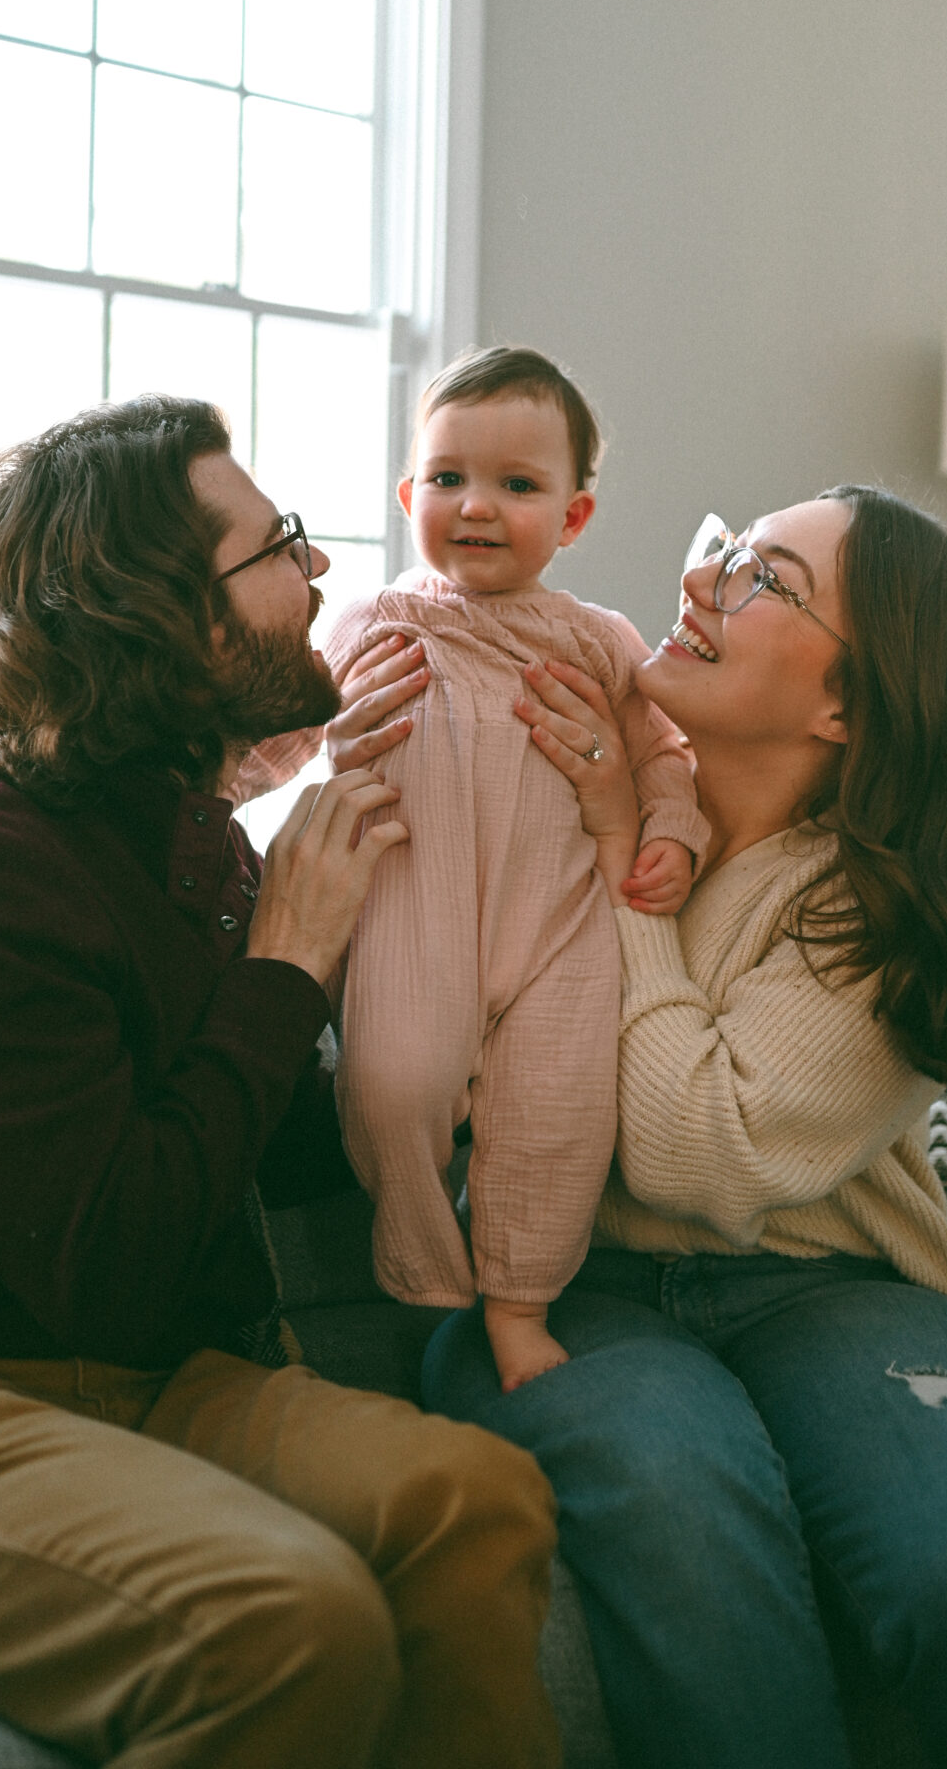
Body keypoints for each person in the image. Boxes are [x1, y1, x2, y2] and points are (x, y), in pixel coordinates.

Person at [0, 395, 561, 1769]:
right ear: (167, 619)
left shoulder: (192, 847)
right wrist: (289, 961)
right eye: (280, 546)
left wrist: (446, 1072)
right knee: (283, 1619)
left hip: (144, 1377)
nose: (321, 570)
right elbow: (116, 1258)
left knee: (473, 1496)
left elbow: (254, 1142)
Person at [416, 486, 947, 1769]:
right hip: (565, 1285)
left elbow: (695, 1149)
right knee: (688, 1530)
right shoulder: (561, 774)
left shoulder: (883, 904)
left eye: (762, 577)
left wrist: (624, 868)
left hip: (837, 1289)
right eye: (725, 548)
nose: (700, 580)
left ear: (845, 706)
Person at [236, 348, 708, 1393]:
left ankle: (517, 1304)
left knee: (559, 1115)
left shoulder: (600, 642)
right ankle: (425, 1274)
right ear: (410, 497)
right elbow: (272, 741)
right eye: (448, 477)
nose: (477, 505)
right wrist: (286, 758)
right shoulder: (371, 623)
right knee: (390, 1087)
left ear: (572, 518)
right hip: (415, 916)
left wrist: (673, 832)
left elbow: (662, 754)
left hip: (558, 926)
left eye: (517, 484)